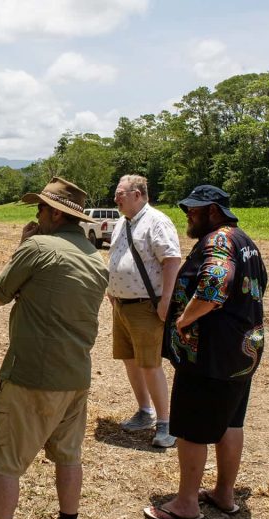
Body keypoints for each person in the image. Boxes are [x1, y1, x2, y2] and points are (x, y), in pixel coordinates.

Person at [0, 177, 109, 519]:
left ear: (55, 213)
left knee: (7, 461)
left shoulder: (36, 248)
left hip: (29, 375)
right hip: (76, 377)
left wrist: (21, 245)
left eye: (40, 209)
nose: (35, 215)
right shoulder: (94, 258)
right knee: (68, 457)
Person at [143, 184, 267, 519]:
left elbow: (214, 284)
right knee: (230, 421)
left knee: (194, 429)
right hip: (242, 353)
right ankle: (224, 493)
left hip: (209, 356)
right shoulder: (245, 242)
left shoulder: (218, 241)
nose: (188, 217)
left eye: (193, 211)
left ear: (213, 211)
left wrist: (185, 317)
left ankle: (186, 504)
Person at [107, 174, 182, 448]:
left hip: (145, 306)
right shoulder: (122, 223)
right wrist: (112, 289)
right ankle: (144, 412)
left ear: (138, 194)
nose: (116, 198)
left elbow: (172, 260)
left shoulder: (156, 221)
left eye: (121, 193)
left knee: (150, 365)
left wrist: (165, 301)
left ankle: (166, 424)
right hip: (122, 305)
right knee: (130, 359)